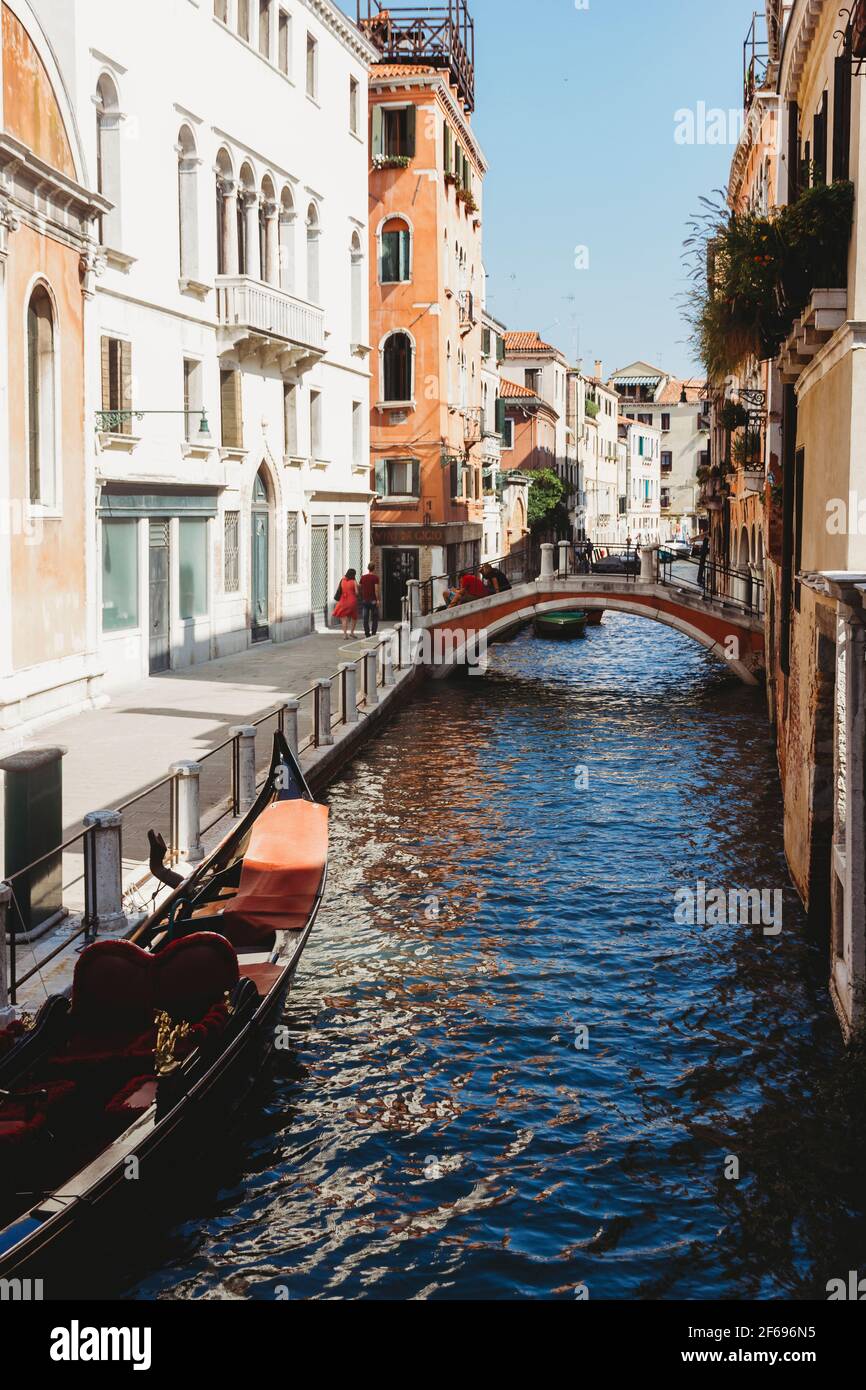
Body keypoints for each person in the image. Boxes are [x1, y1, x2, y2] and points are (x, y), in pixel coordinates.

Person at [333, 568, 360, 637]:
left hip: (343, 601)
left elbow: (340, 590)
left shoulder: (342, 580)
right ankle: (352, 632)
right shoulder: (353, 581)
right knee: (354, 617)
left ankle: (345, 634)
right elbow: (357, 592)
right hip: (352, 601)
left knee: (344, 618)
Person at [359, 562, 380, 638]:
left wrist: (363, 595)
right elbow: (376, 590)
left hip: (365, 599)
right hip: (373, 600)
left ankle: (367, 633)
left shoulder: (363, 577)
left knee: (365, 618)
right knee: (374, 617)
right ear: (374, 568)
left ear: (368, 568)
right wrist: (377, 600)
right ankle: (373, 633)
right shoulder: (375, 578)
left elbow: (360, 587)